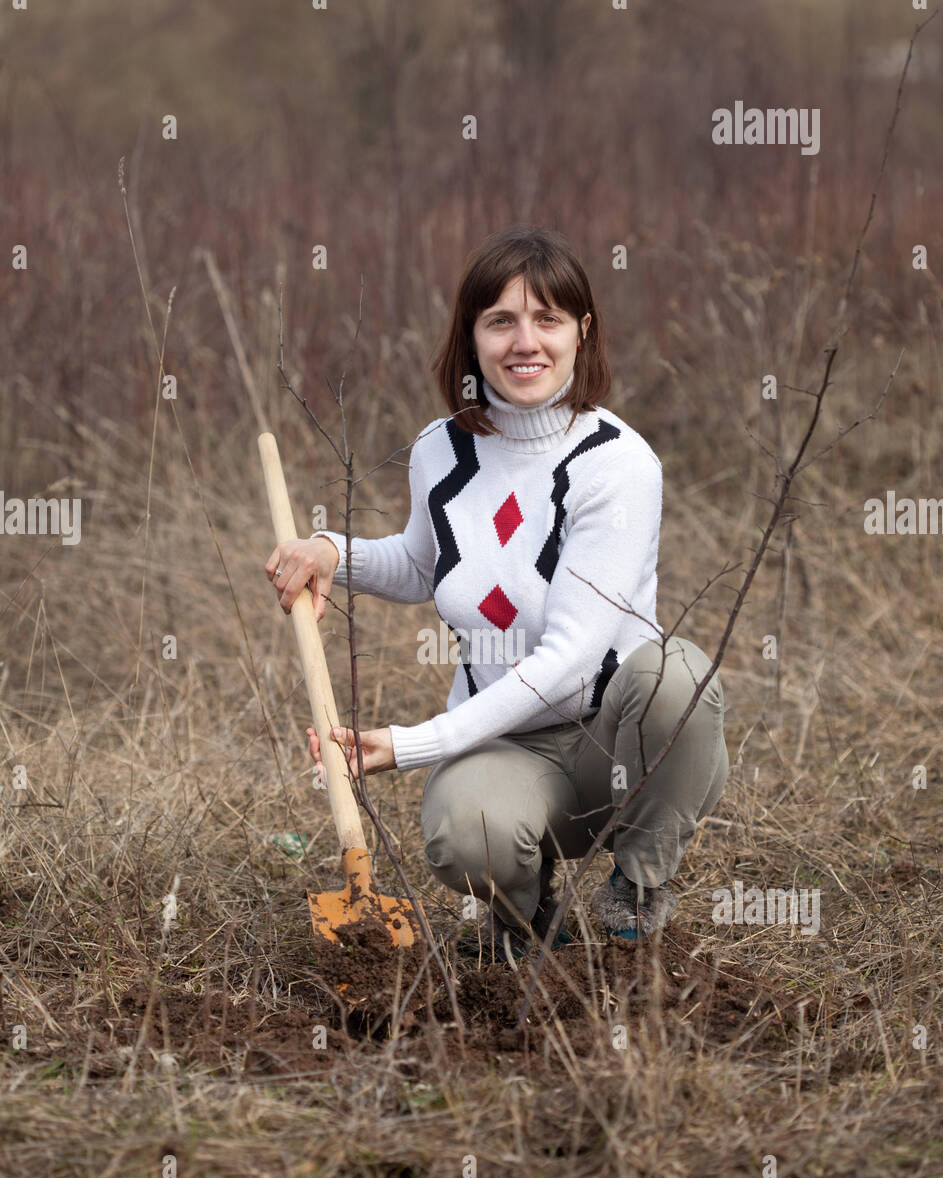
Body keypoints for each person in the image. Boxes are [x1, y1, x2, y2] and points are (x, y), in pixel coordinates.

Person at [265, 227, 728, 959]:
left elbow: (574, 658)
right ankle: (526, 924)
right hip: (503, 743)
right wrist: (332, 551)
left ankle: (636, 892)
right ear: (471, 337)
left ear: (582, 333)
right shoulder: (440, 448)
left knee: (677, 676)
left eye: (547, 319)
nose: (525, 342)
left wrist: (415, 744)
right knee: (463, 834)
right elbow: (424, 565)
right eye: (500, 321)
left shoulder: (616, 465)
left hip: (609, 742)